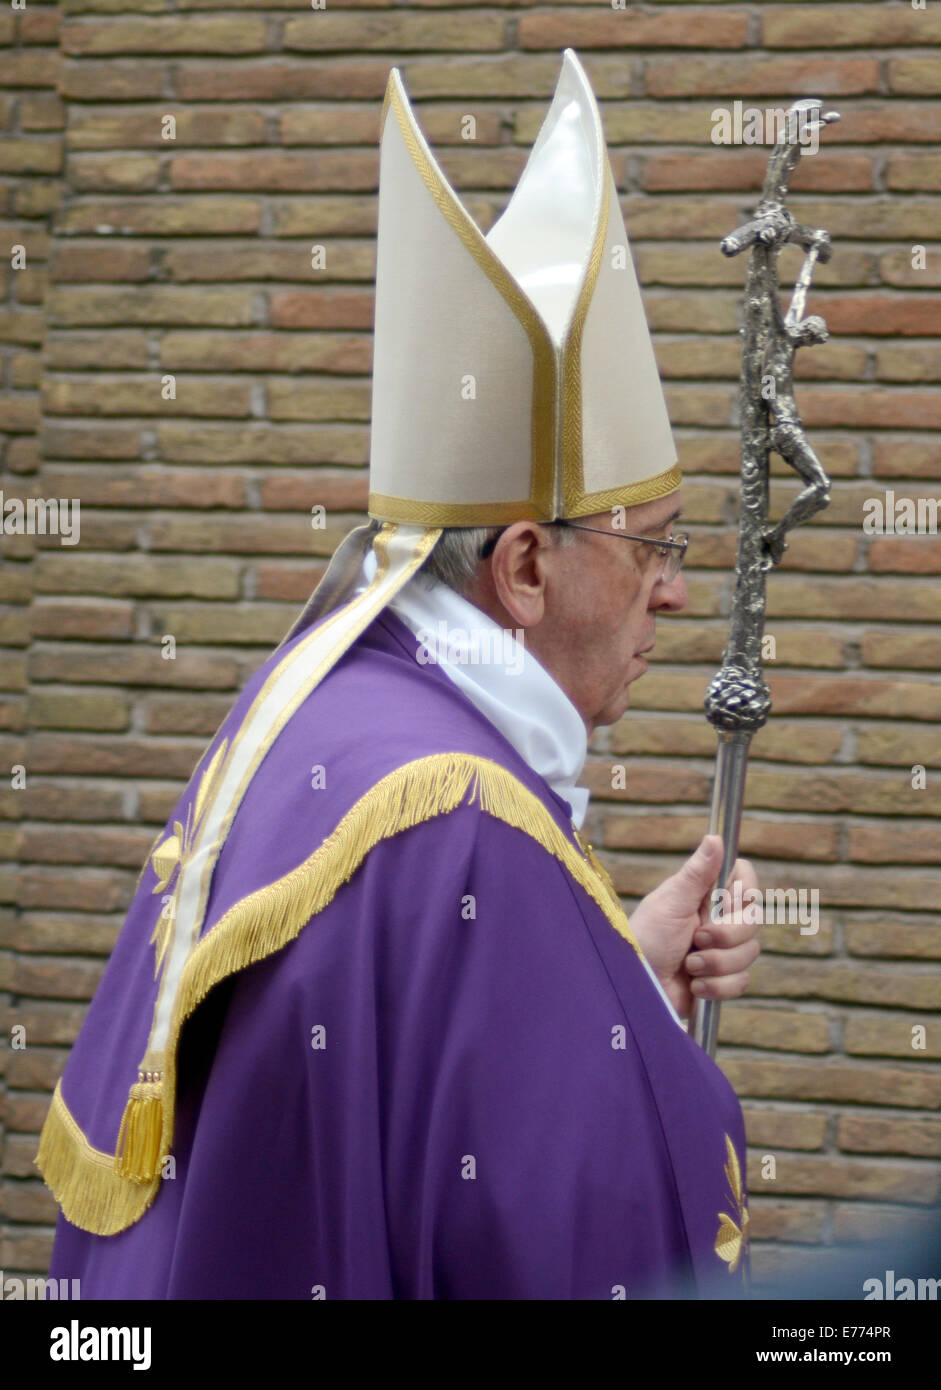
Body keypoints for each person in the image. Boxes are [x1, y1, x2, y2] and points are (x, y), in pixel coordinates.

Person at [37, 48, 760, 1300]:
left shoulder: (330, 702)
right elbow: (563, 1234)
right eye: (653, 547)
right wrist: (661, 1054)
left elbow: (411, 1069)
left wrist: (615, 969)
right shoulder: (464, 822)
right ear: (525, 567)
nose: (676, 591)